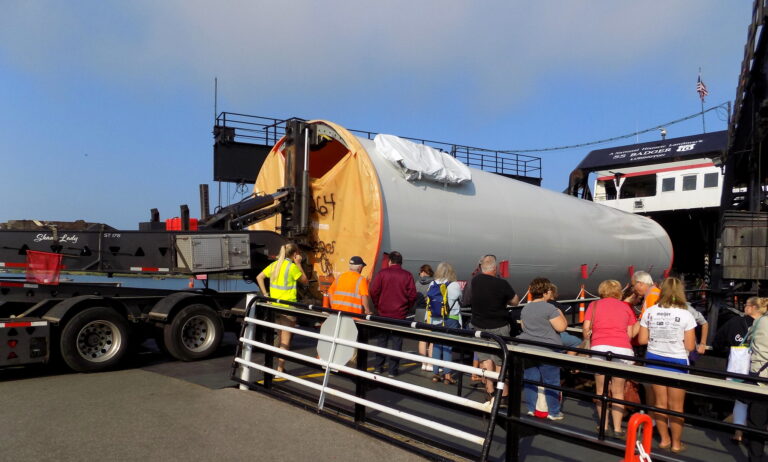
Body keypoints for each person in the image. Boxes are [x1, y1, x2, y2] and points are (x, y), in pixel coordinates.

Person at [637, 277, 696, 453]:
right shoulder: (686, 314)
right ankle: (676, 444)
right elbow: (690, 346)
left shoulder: (650, 311)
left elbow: (642, 340)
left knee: (660, 404)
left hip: (654, 359)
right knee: (676, 407)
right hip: (677, 361)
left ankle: (664, 440)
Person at [582, 279, 638, 436]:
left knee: (601, 390)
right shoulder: (626, 307)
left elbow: (586, 331)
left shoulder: (594, 305)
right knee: (618, 391)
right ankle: (618, 428)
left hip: (600, 348)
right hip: (622, 350)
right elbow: (630, 334)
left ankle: (603, 426)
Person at [714, 297, 766, 444]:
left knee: (740, 400)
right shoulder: (765, 324)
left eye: (746, 305)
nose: (744, 307)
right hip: (761, 370)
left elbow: (718, 342)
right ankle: (759, 433)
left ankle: (738, 433)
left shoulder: (735, 322)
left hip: (739, 367)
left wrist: (729, 350)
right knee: (761, 402)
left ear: (752, 308)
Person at [469, 255, 519, 402]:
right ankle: (503, 394)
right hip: (499, 326)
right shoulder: (501, 284)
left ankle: (490, 391)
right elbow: (515, 301)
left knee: (485, 359)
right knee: (500, 360)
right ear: (495, 268)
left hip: (479, 326)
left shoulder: (475, 281)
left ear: (481, 268)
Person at [517, 277, 568, 420]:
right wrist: (560, 313)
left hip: (527, 348)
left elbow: (523, 327)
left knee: (530, 379)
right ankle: (554, 412)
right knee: (551, 381)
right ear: (546, 292)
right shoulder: (550, 308)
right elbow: (561, 327)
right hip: (547, 349)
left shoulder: (525, 308)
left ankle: (532, 409)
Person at [256, 243, 309, 373]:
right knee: (285, 341)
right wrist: (299, 264)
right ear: (295, 254)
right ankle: (279, 369)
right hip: (288, 308)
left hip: (275, 307)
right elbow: (305, 281)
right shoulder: (291, 267)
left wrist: (266, 295)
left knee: (279, 338)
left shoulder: (274, 265)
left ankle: (270, 364)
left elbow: (259, 277)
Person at [370, 251, 417, 377]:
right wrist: (407, 307)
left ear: (390, 261)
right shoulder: (407, 275)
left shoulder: (382, 274)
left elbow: (374, 291)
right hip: (399, 314)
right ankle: (392, 370)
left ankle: (378, 367)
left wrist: (377, 305)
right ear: (401, 262)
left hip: (383, 312)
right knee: (397, 342)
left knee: (382, 341)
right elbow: (412, 295)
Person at [427, 262, 462, 385]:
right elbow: (460, 300)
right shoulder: (454, 285)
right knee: (448, 346)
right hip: (451, 318)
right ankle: (447, 375)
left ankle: (436, 374)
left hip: (436, 318)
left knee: (436, 345)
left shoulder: (432, 284)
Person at [747, 298, 768, 461]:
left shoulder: (761, 322)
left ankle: (755, 458)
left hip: (761, 379)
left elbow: (750, 341)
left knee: (757, 423)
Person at [414, 264, 435, 371]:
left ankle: (423, 363)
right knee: (431, 339)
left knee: (422, 339)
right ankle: (430, 364)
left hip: (419, 311)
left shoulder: (417, 283)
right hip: (430, 312)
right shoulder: (433, 283)